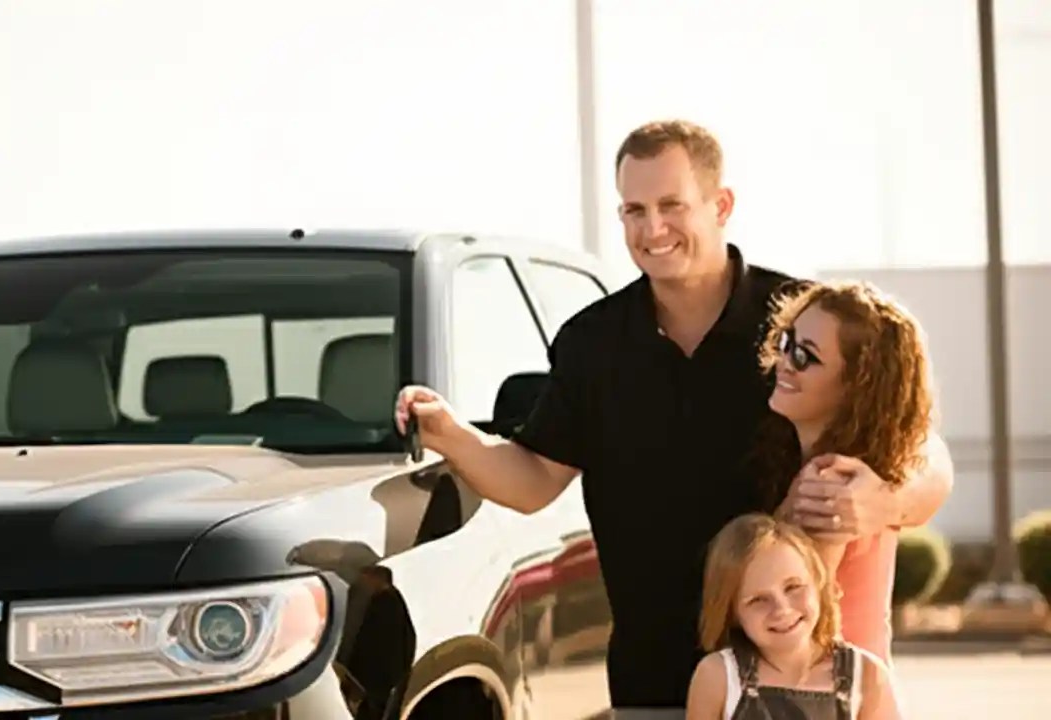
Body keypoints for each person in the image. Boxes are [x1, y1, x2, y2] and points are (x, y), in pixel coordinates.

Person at [394, 119, 954, 717]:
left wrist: (889, 501)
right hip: (651, 680)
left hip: (792, 690)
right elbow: (533, 479)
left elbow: (916, 444)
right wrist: (452, 435)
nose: (651, 229)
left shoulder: (800, 326)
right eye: (633, 209)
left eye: (671, 205)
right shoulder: (592, 342)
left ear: (721, 205)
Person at [755, 280, 936, 664]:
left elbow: (798, 634)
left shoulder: (829, 485)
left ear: (856, 387)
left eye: (806, 356)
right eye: (787, 342)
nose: (785, 361)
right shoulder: (852, 469)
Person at [686, 513, 902, 719]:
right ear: (732, 613)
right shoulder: (717, 676)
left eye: (793, 587)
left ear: (819, 583)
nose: (782, 609)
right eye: (758, 600)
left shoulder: (867, 674)